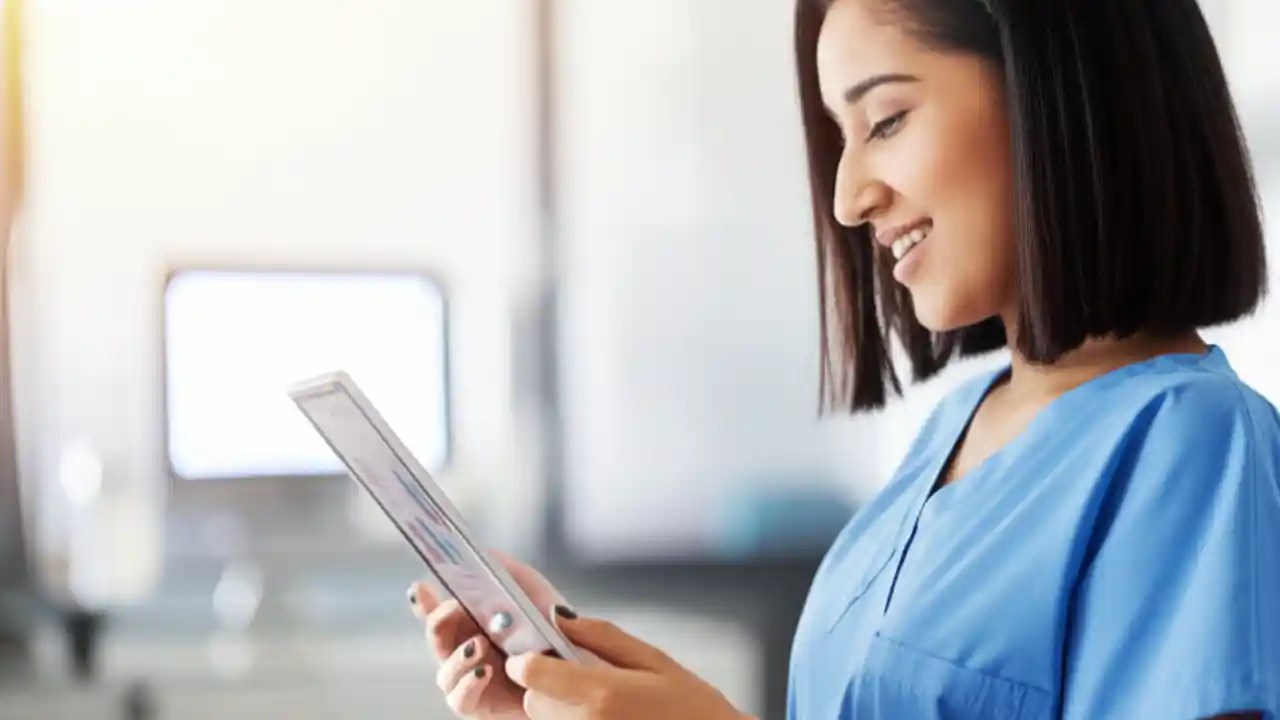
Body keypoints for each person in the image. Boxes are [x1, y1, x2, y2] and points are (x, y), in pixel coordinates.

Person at [408, 0, 1280, 717]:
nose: (849, 198)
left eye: (886, 120)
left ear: (1061, 92)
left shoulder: (1195, 445)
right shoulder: (959, 427)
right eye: (842, 138)